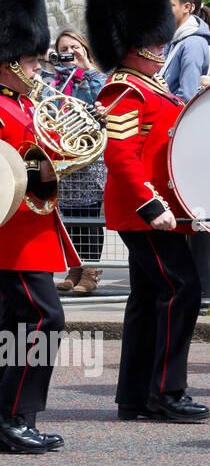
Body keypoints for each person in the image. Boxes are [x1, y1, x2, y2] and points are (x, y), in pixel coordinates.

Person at [87, 0, 210, 423]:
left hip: (159, 209)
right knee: (182, 289)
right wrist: (151, 205)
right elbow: (120, 157)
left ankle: (136, 394)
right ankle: (166, 391)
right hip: (145, 212)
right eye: (155, 40)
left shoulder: (147, 84)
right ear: (138, 41)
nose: (162, 45)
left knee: (146, 299)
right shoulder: (124, 89)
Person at [0, 0, 75, 453]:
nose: (37, 71)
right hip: (14, 239)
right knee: (46, 319)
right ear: (8, 62)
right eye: (30, 63)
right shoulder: (3, 109)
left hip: (33, 235)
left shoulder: (22, 105)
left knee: (16, 326)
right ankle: (13, 416)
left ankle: (15, 416)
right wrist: (47, 171)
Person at [47, 27, 108, 295]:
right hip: (64, 156)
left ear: (84, 48)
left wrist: (86, 67)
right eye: (63, 50)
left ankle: (91, 271)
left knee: (89, 216)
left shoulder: (95, 76)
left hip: (89, 158)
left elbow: (105, 98)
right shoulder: (54, 81)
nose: (68, 54)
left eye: (74, 48)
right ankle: (75, 267)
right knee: (69, 217)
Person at [162, 0, 210, 102]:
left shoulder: (193, 44)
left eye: (170, 5)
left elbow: (187, 96)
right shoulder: (172, 38)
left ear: (186, 7)